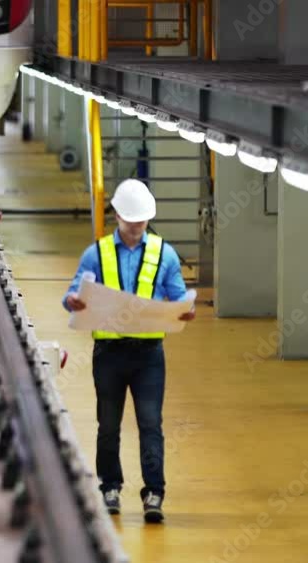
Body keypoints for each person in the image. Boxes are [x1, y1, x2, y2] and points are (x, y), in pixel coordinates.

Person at [62, 178, 195, 524]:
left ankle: (154, 492)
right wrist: (73, 302)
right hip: (109, 353)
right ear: (117, 216)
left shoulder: (163, 253)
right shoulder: (97, 253)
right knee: (108, 424)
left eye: (142, 220)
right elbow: (75, 291)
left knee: (151, 424)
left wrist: (184, 308)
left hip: (149, 355)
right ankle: (110, 486)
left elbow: (177, 292)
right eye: (130, 219)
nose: (136, 226)